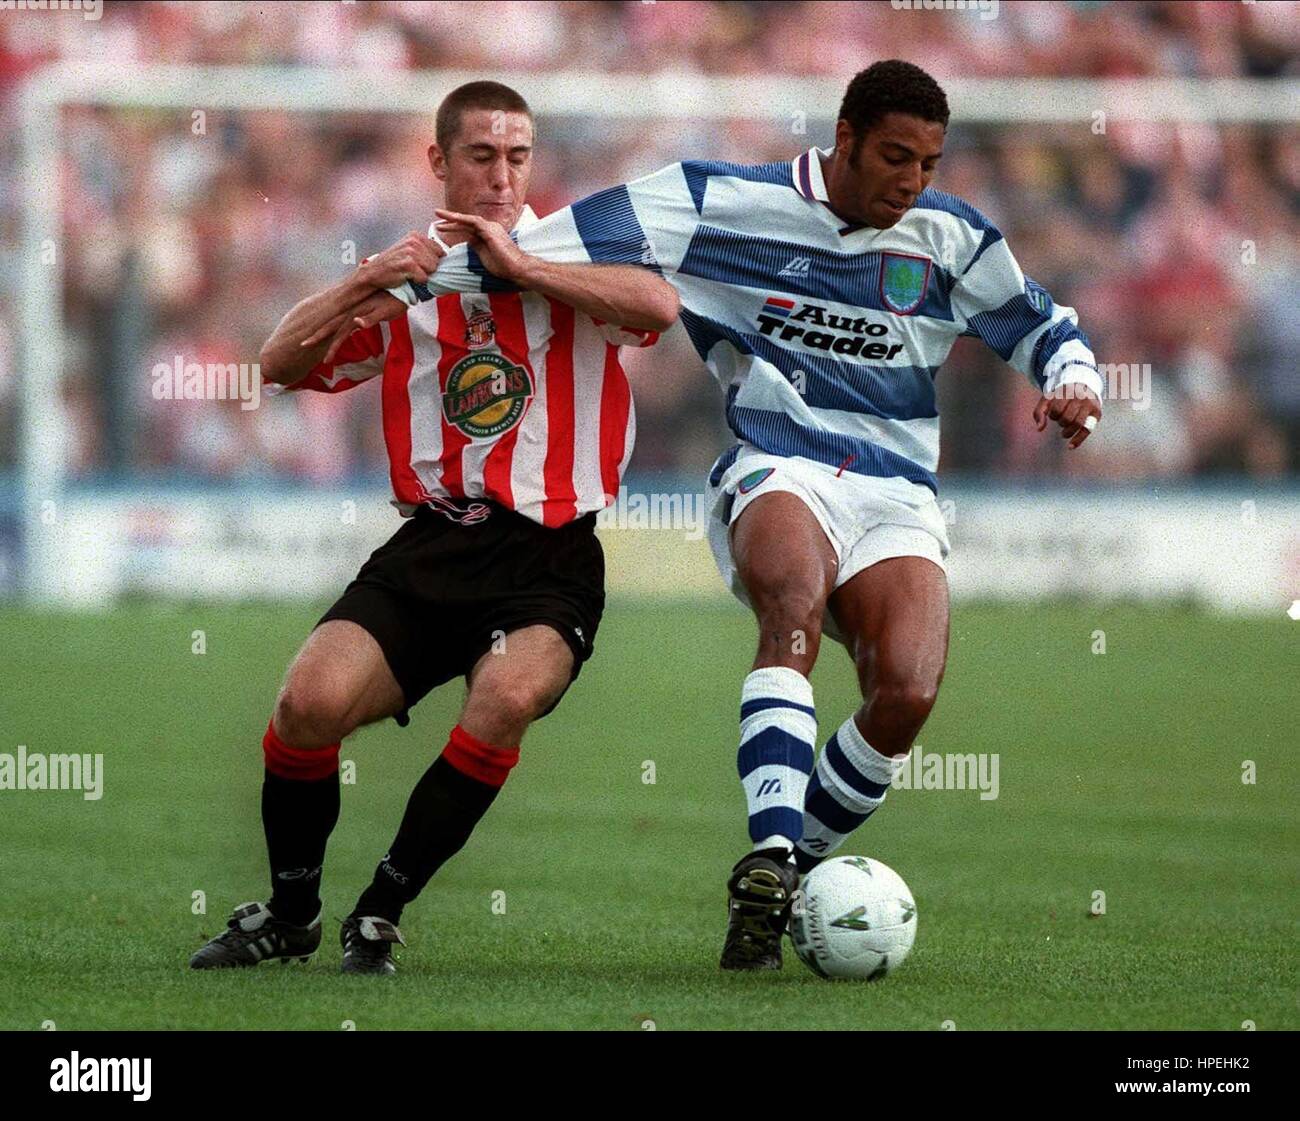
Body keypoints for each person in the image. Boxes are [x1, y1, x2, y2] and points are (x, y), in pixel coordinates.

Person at [363, 60, 1105, 972]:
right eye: (894, 157)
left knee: (906, 693)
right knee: (791, 610)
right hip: (778, 462)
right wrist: (403, 279)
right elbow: (551, 244)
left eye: (929, 163)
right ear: (845, 140)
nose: (911, 181)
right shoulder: (714, 201)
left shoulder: (952, 235)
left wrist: (1074, 377)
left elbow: (1039, 324)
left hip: (897, 492)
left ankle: (785, 874)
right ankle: (770, 850)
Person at [189, 81, 678, 975]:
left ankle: (382, 908)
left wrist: (526, 268)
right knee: (306, 707)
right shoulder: (409, 284)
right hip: (431, 549)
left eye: (517, 157)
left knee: (506, 698)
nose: (502, 176)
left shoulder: (568, 252)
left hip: (548, 559)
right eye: (482, 157)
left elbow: (657, 307)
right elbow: (280, 363)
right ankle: (292, 914)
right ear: (439, 162)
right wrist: (366, 278)